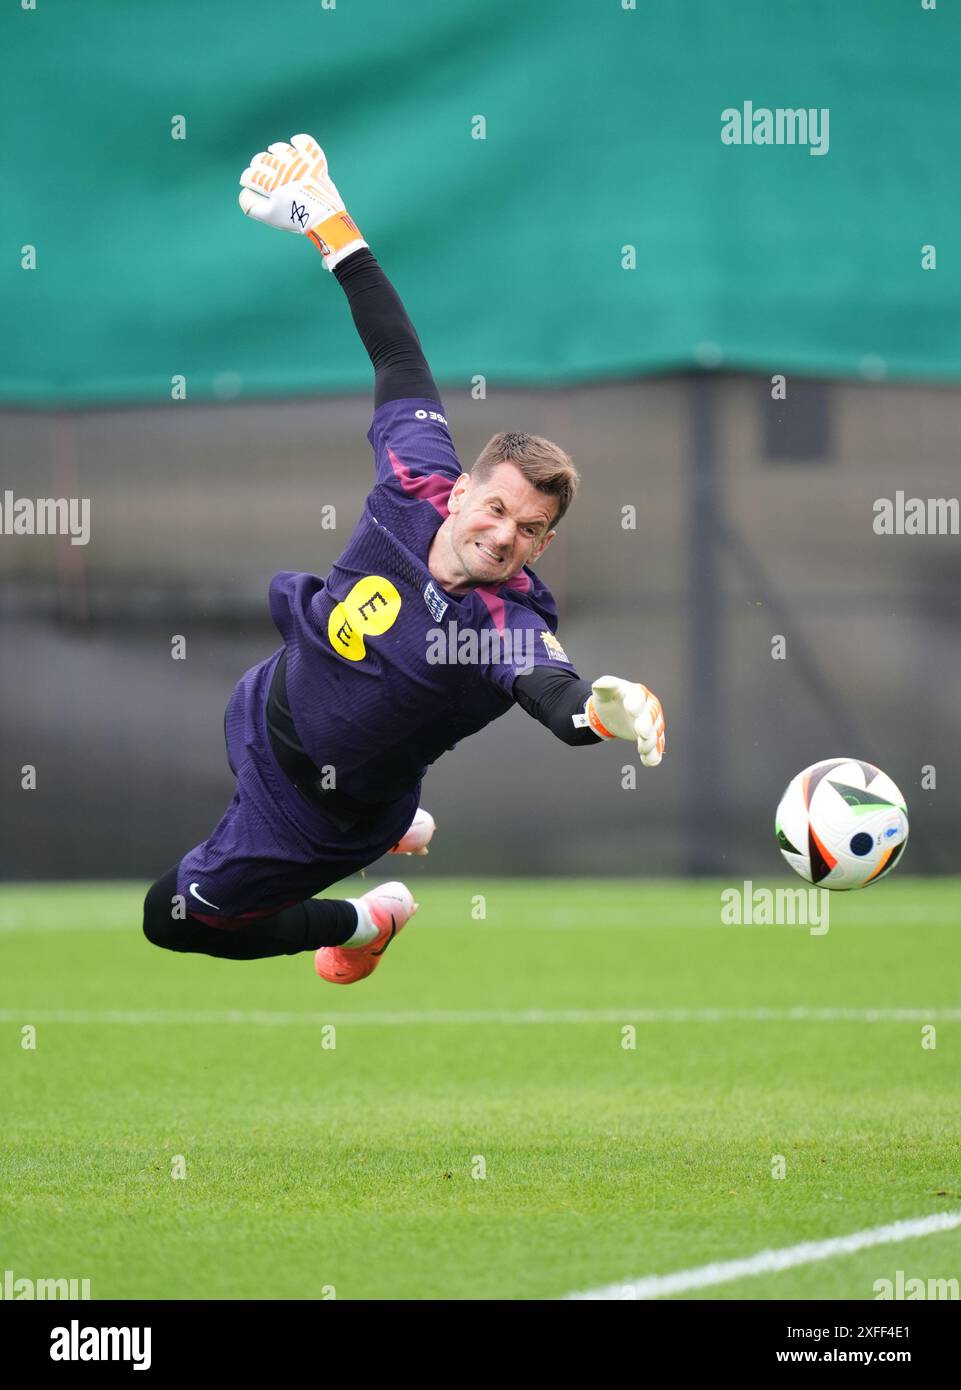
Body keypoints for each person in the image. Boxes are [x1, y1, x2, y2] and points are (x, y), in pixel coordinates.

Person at [142, 134, 665, 985]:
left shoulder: (503, 623)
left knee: (171, 917)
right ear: (461, 491)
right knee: (329, 748)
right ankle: (397, 819)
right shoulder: (414, 480)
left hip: (315, 817)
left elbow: (560, 704)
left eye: (528, 530)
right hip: (263, 701)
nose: (504, 536)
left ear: (543, 545)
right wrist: (331, 228)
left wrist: (608, 710)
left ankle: (365, 915)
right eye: (496, 507)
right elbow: (396, 355)